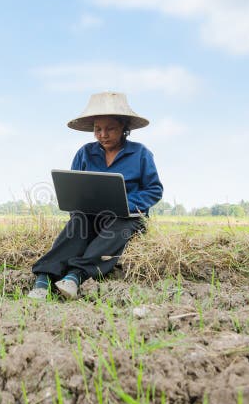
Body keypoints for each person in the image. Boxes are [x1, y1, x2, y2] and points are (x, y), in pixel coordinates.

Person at [28, 91, 163, 300]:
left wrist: (126, 204)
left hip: (126, 218)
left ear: (124, 128)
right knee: (79, 221)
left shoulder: (140, 154)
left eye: (110, 129)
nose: (103, 134)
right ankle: (44, 277)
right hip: (91, 216)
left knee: (121, 224)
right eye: (97, 129)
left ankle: (75, 276)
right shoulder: (85, 153)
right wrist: (79, 208)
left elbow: (154, 190)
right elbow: (74, 189)